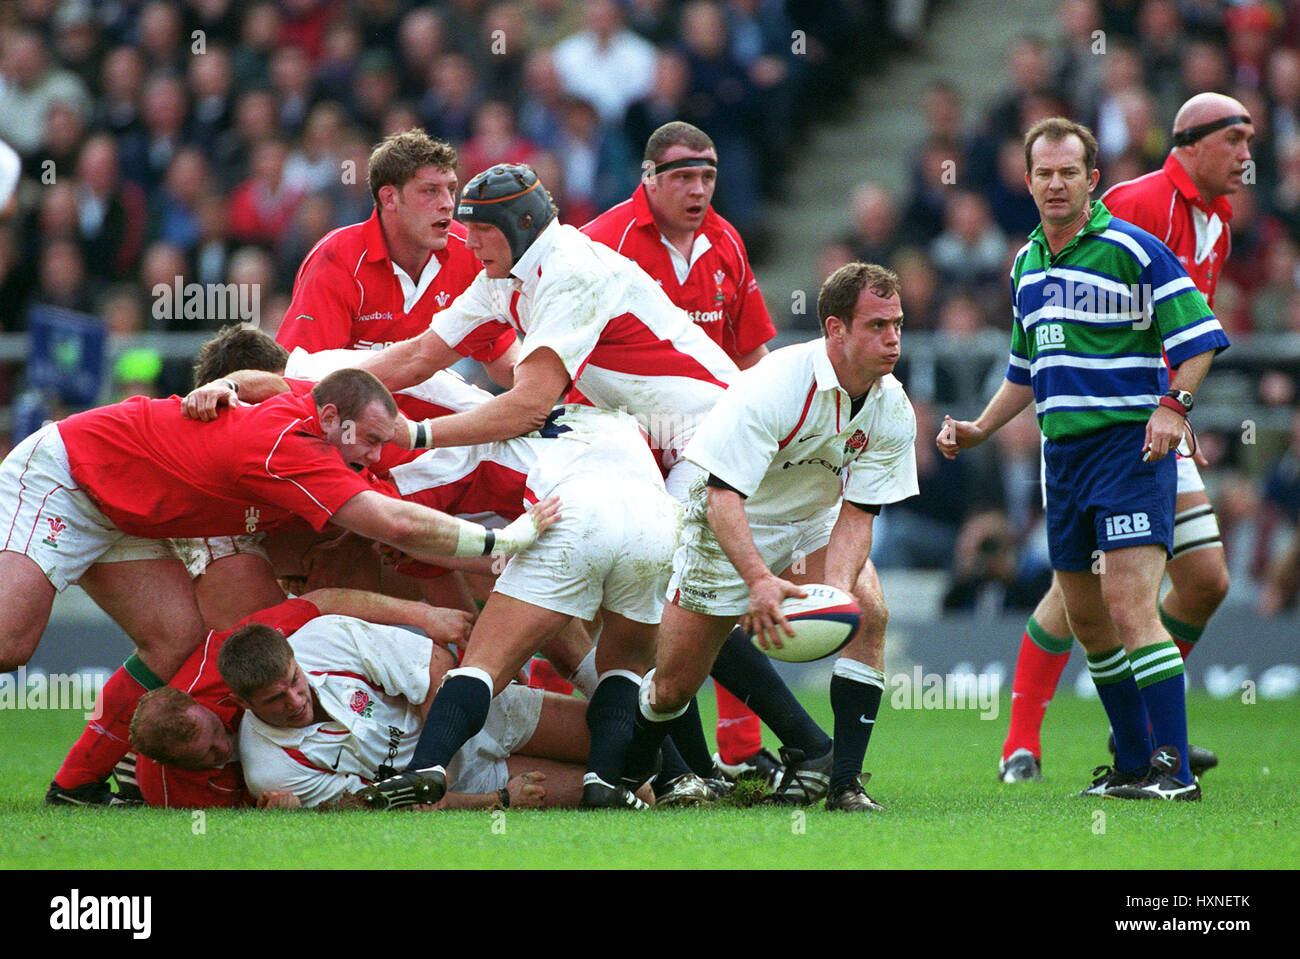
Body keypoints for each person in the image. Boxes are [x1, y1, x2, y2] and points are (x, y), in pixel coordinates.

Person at [1, 367, 553, 805]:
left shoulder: (316, 406)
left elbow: (266, 379)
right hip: (69, 473)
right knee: (10, 646)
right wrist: (503, 542)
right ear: (335, 420)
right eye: (371, 441)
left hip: (130, 512)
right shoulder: (291, 452)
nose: (378, 455)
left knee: (178, 641)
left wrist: (228, 384)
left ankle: (74, 785)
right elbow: (402, 529)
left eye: (389, 440)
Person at [938, 117, 1230, 801]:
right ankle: (1132, 764)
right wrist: (980, 427)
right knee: (1090, 618)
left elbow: (1199, 339)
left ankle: (1174, 772)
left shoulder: (1135, 247)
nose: (1056, 183)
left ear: (1091, 179)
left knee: (1130, 606)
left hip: (1128, 450)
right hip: (1060, 459)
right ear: (1028, 178)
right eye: (1044, 172)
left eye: (1069, 171)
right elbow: (1024, 367)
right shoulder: (1025, 264)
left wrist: (1172, 408)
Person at [619, 262, 920, 813]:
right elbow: (721, 497)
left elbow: (857, 513)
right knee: (671, 688)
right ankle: (624, 780)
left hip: (813, 519)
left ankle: (844, 785)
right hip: (728, 521)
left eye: (897, 323)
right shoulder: (777, 384)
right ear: (835, 329)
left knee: (870, 611)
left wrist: (837, 591)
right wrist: (758, 579)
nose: (893, 337)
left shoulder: (894, 406)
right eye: (877, 325)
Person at [356, 402, 700, 811]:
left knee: (483, 665)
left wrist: (408, 543)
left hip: (573, 515)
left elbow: (393, 515)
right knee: (624, 669)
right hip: (660, 520)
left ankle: (427, 768)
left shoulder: (484, 436)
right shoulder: (621, 418)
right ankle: (605, 784)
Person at [582, 120, 779, 783]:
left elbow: (750, 351)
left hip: (707, 449)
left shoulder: (726, 241)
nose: (699, 191)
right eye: (685, 178)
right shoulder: (601, 244)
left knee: (709, 585)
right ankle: (683, 762)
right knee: (667, 599)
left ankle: (724, 754)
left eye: (709, 177)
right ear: (649, 179)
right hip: (626, 450)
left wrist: (774, 429)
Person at [351, 162, 737, 501]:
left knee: (677, 576)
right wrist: (320, 393)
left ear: (523, 225)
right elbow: (419, 356)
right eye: (468, 228)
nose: (468, 243)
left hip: (712, 434)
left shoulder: (570, 270)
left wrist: (418, 435)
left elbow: (529, 408)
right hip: (657, 440)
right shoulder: (502, 273)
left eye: (483, 228)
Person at [218, 601, 597, 810]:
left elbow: (437, 665)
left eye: (295, 681)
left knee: (637, 750)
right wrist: (495, 799)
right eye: (274, 699)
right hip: (465, 785)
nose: (295, 700)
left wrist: (432, 766)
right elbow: (368, 807)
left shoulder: (324, 636)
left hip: (474, 716)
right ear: (242, 702)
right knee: (624, 791)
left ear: (295, 658)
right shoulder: (269, 771)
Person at [124, 588, 472, 808]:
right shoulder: (171, 793)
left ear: (224, 704)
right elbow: (365, 804)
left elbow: (318, 602)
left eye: (216, 733)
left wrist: (426, 615)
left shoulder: (217, 674)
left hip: (446, 738)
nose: (223, 749)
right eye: (207, 756)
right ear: (178, 765)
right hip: (441, 775)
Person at [273, 129, 516, 385]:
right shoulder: (337, 257)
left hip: (438, 419)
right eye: (430, 191)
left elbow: (504, 358)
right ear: (389, 198)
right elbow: (297, 376)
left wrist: (545, 383)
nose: (447, 203)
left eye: (451, 189)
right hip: (354, 414)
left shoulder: (468, 250)